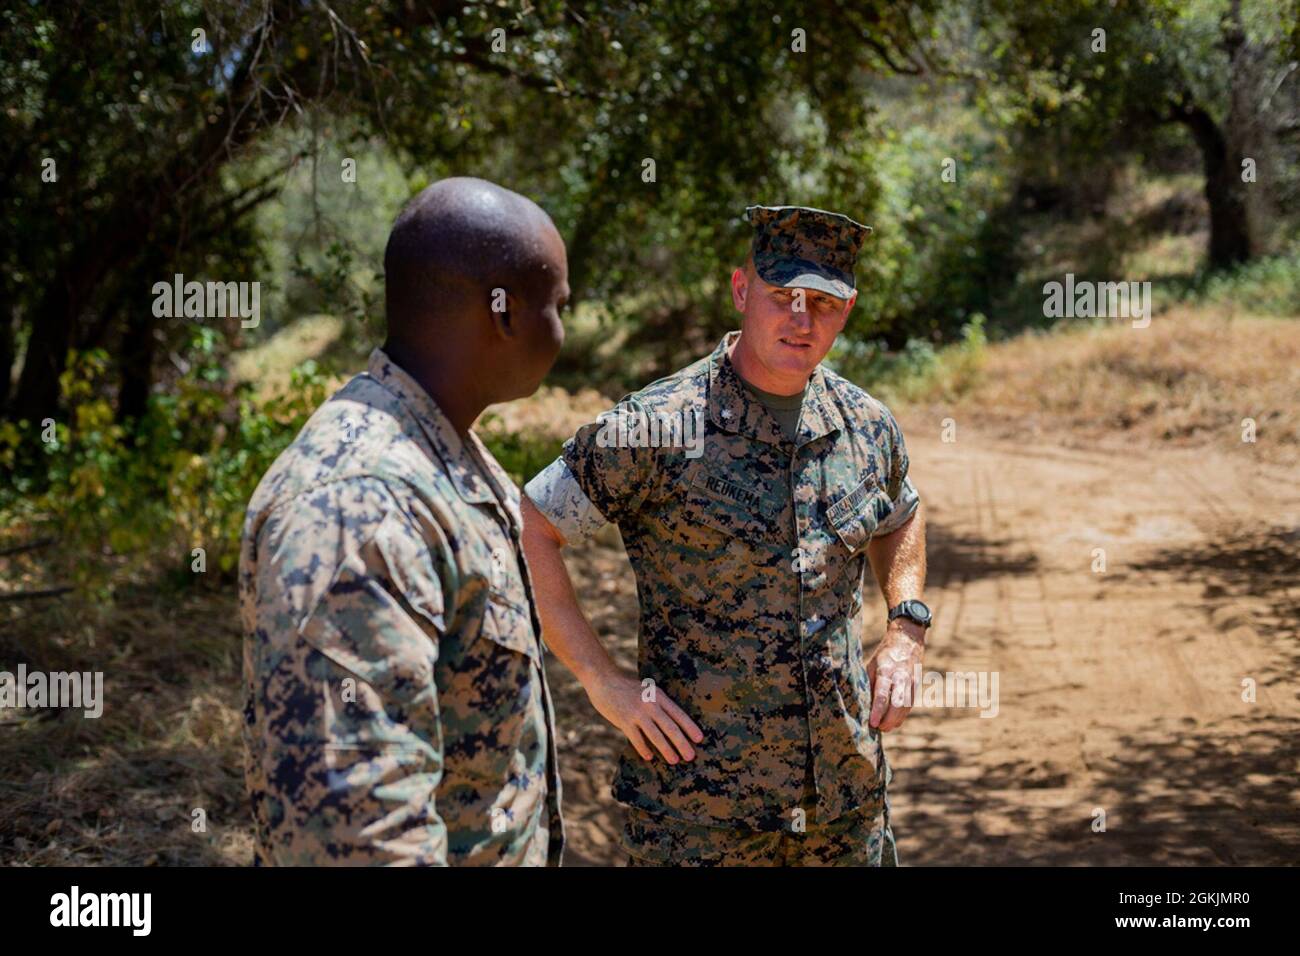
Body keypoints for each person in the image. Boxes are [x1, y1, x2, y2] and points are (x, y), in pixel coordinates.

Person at [522, 204, 930, 865]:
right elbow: (529, 524)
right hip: (701, 821)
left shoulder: (865, 425)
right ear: (742, 289)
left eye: (823, 303)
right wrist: (602, 682)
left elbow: (902, 515)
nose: (802, 320)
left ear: (847, 309)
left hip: (844, 812)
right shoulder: (657, 426)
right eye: (783, 297)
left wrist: (906, 627)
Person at [240, 176, 569, 865]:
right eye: (557, 305)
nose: (562, 329)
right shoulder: (360, 508)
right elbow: (359, 836)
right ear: (504, 314)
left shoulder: (443, 454)